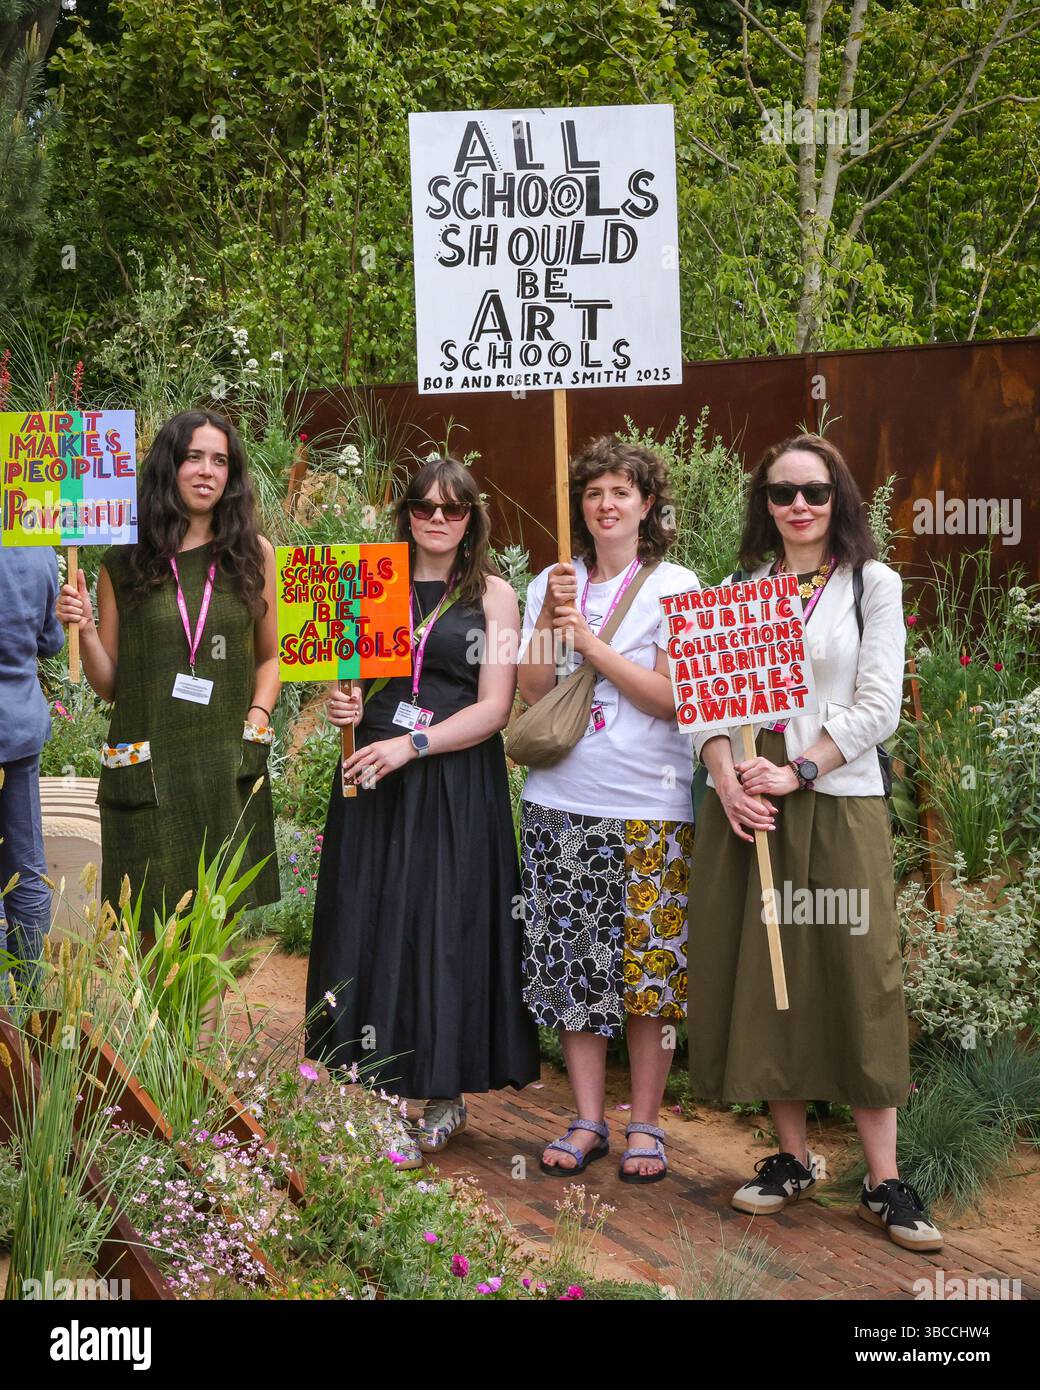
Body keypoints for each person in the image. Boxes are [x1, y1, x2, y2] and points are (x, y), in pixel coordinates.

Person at [687, 432, 942, 1252]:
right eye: (782, 492)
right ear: (765, 503)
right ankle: (792, 1160)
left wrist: (797, 766)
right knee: (770, 974)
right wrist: (728, 779)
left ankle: (882, 1180)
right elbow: (705, 704)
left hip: (834, 800)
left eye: (815, 491)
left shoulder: (873, 584)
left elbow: (879, 705)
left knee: (860, 975)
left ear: (840, 499)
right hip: (752, 811)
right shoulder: (740, 587)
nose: (799, 505)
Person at [305, 456, 539, 1165]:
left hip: (450, 778)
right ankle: (377, 1091)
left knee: (443, 929)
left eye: (453, 509)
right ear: (405, 513)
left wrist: (416, 743)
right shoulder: (366, 580)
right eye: (424, 506)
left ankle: (442, 1093)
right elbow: (349, 684)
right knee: (371, 923)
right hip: (370, 774)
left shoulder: (495, 596)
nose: (438, 519)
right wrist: (344, 706)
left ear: (472, 519)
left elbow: (496, 708)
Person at [518, 436, 699, 1183]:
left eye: (621, 491)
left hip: (652, 806)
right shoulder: (548, 583)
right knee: (573, 968)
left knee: (648, 972)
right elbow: (531, 694)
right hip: (561, 800)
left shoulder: (679, 587)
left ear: (646, 504)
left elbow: (673, 697)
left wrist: (590, 643)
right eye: (593, 492)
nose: (606, 504)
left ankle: (647, 1126)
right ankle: (589, 1117)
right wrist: (550, 623)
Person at [56, 409, 280, 935]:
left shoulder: (254, 555)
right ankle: (158, 1025)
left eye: (220, 460)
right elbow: (110, 685)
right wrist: (86, 629)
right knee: (152, 932)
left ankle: (204, 1026)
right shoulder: (123, 564)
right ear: (169, 467)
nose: (207, 471)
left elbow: (270, 657)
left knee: (213, 932)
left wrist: (257, 718)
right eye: (193, 457)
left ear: (232, 475)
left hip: (225, 763)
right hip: (150, 770)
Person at [0, 548, 66, 993]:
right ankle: (26, 1012)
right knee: (27, 871)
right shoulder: (35, 549)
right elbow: (51, 641)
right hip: (17, 728)